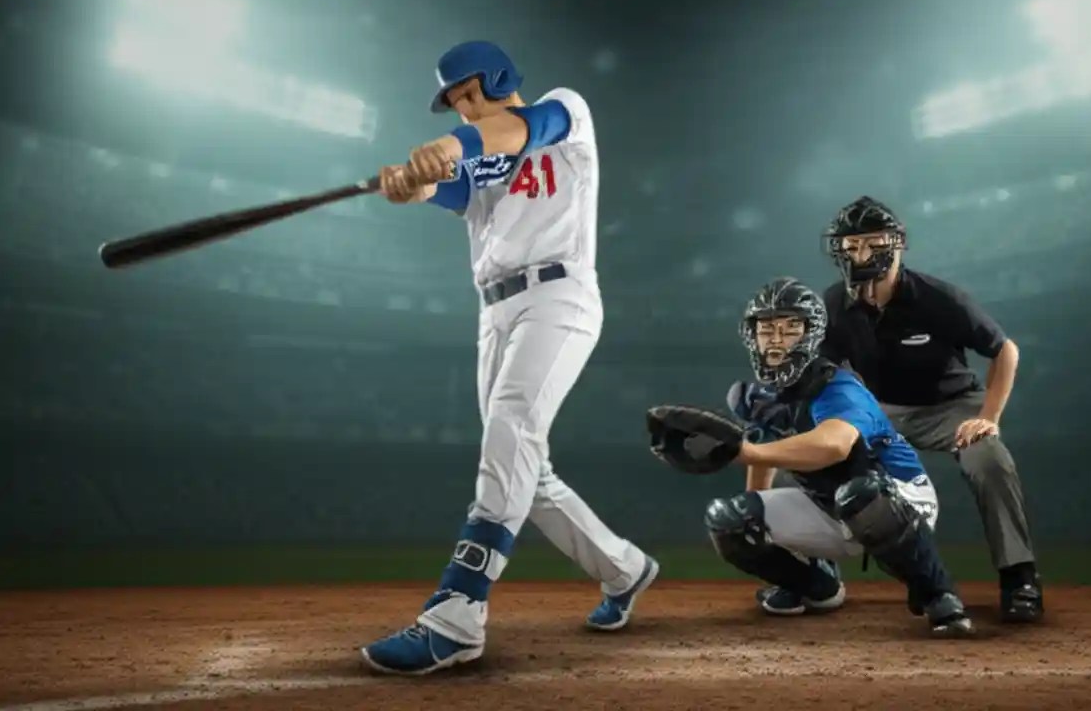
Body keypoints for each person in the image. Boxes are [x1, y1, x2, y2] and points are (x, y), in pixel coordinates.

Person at [359, 40, 657, 676]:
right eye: (454, 102)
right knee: (530, 470)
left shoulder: (563, 111)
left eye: (469, 93)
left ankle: (458, 613)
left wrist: (452, 146)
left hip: (559, 295)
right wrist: (405, 185)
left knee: (510, 429)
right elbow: (443, 189)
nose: (463, 109)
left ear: (497, 77)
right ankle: (625, 569)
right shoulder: (478, 158)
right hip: (494, 312)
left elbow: (516, 131)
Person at [688, 277, 975, 635]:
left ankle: (939, 596)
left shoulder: (838, 387)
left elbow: (834, 445)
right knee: (729, 520)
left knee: (859, 495)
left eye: (790, 327)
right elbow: (764, 454)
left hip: (898, 495)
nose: (776, 339)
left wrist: (746, 452)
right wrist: (754, 500)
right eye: (767, 328)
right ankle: (816, 587)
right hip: (828, 503)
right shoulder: (760, 396)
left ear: (811, 335)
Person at [818, 196, 1043, 623]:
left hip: (951, 407)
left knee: (989, 459)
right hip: (880, 410)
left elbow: (1005, 351)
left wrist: (988, 418)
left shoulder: (937, 298)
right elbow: (824, 373)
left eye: (870, 242)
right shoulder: (834, 305)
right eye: (850, 245)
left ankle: (1020, 578)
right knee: (815, 455)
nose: (859, 254)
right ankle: (818, 570)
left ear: (897, 245)